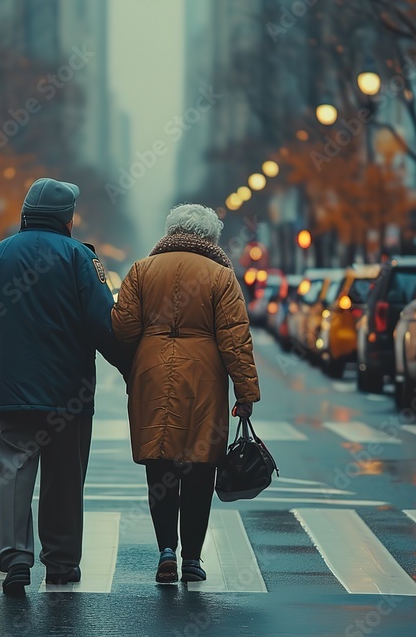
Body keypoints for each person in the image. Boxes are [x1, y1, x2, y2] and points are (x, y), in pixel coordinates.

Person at [0, 177, 123, 596]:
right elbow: (104, 326)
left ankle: (16, 560)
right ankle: (62, 563)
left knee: (12, 474)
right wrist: (133, 370)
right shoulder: (80, 259)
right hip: (69, 397)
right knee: (64, 481)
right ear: (67, 219)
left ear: (25, 213)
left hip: (10, 392)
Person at [111, 203, 260, 584]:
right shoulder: (221, 276)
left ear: (170, 231)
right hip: (204, 379)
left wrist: (135, 366)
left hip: (152, 375)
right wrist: (245, 393)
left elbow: (123, 329)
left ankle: (165, 551)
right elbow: (235, 339)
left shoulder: (142, 270)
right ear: (209, 238)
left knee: (160, 466)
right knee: (199, 468)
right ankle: (192, 558)